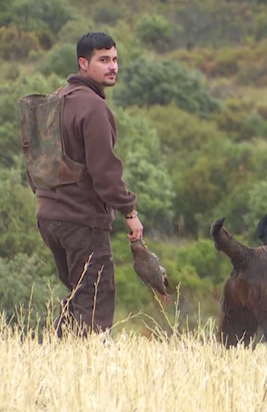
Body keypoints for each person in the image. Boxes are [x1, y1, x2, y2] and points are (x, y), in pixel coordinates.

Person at [23, 32, 143, 338]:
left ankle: (55, 359)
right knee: (94, 299)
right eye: (103, 60)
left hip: (48, 217)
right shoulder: (94, 108)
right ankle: (83, 372)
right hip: (80, 221)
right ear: (83, 63)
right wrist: (129, 212)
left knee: (80, 295)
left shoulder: (56, 98)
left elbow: (35, 161)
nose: (112, 66)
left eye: (115, 59)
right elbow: (104, 172)